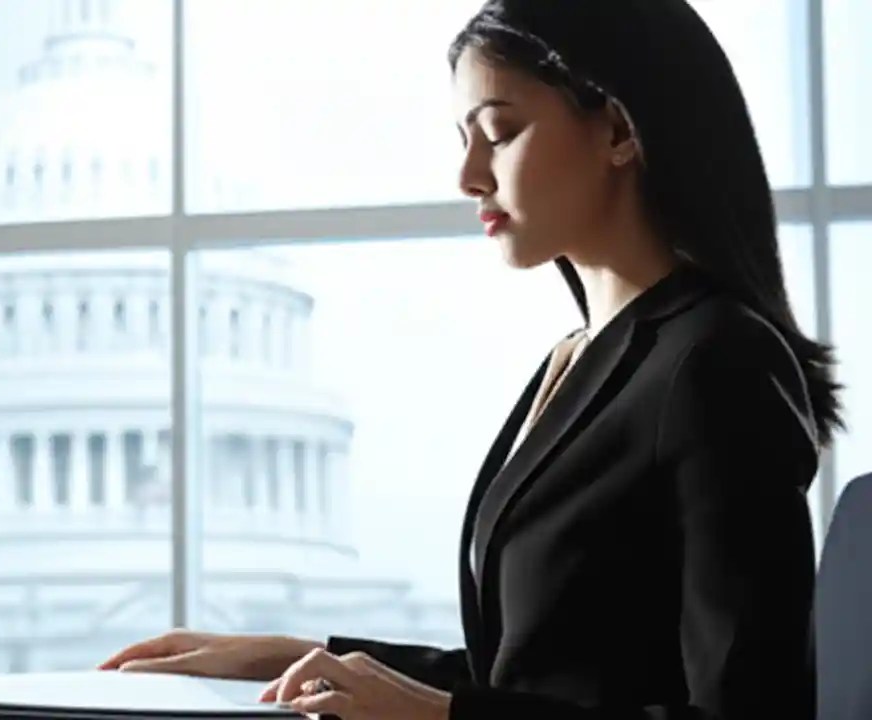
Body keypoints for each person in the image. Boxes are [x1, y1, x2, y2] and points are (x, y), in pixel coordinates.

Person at [98, 0, 842, 717]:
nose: (468, 175)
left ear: (619, 129)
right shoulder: (578, 356)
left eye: (500, 133)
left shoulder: (718, 362)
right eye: (466, 138)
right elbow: (530, 676)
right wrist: (302, 656)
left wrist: (441, 718)